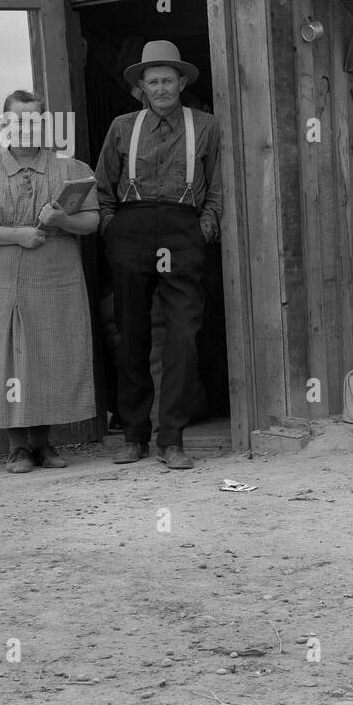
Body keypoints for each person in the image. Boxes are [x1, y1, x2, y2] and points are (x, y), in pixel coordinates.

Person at [94, 40, 222, 469]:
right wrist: (113, 230)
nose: (162, 87)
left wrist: (202, 231)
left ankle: (173, 439)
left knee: (183, 336)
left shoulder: (205, 125)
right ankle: (134, 436)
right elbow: (102, 189)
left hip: (182, 230)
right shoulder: (121, 127)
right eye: (154, 81)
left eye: (169, 79)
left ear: (182, 82)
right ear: (141, 87)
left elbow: (218, 189)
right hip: (132, 230)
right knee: (132, 335)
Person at [0, 90, 99, 473]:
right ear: (4, 125)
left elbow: (91, 222)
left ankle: (44, 443)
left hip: (56, 275)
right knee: (8, 354)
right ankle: (17, 447)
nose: (24, 128)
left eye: (32, 120)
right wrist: (17, 235)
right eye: (16, 120)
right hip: (1, 276)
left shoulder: (72, 170)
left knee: (48, 351)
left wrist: (61, 221)